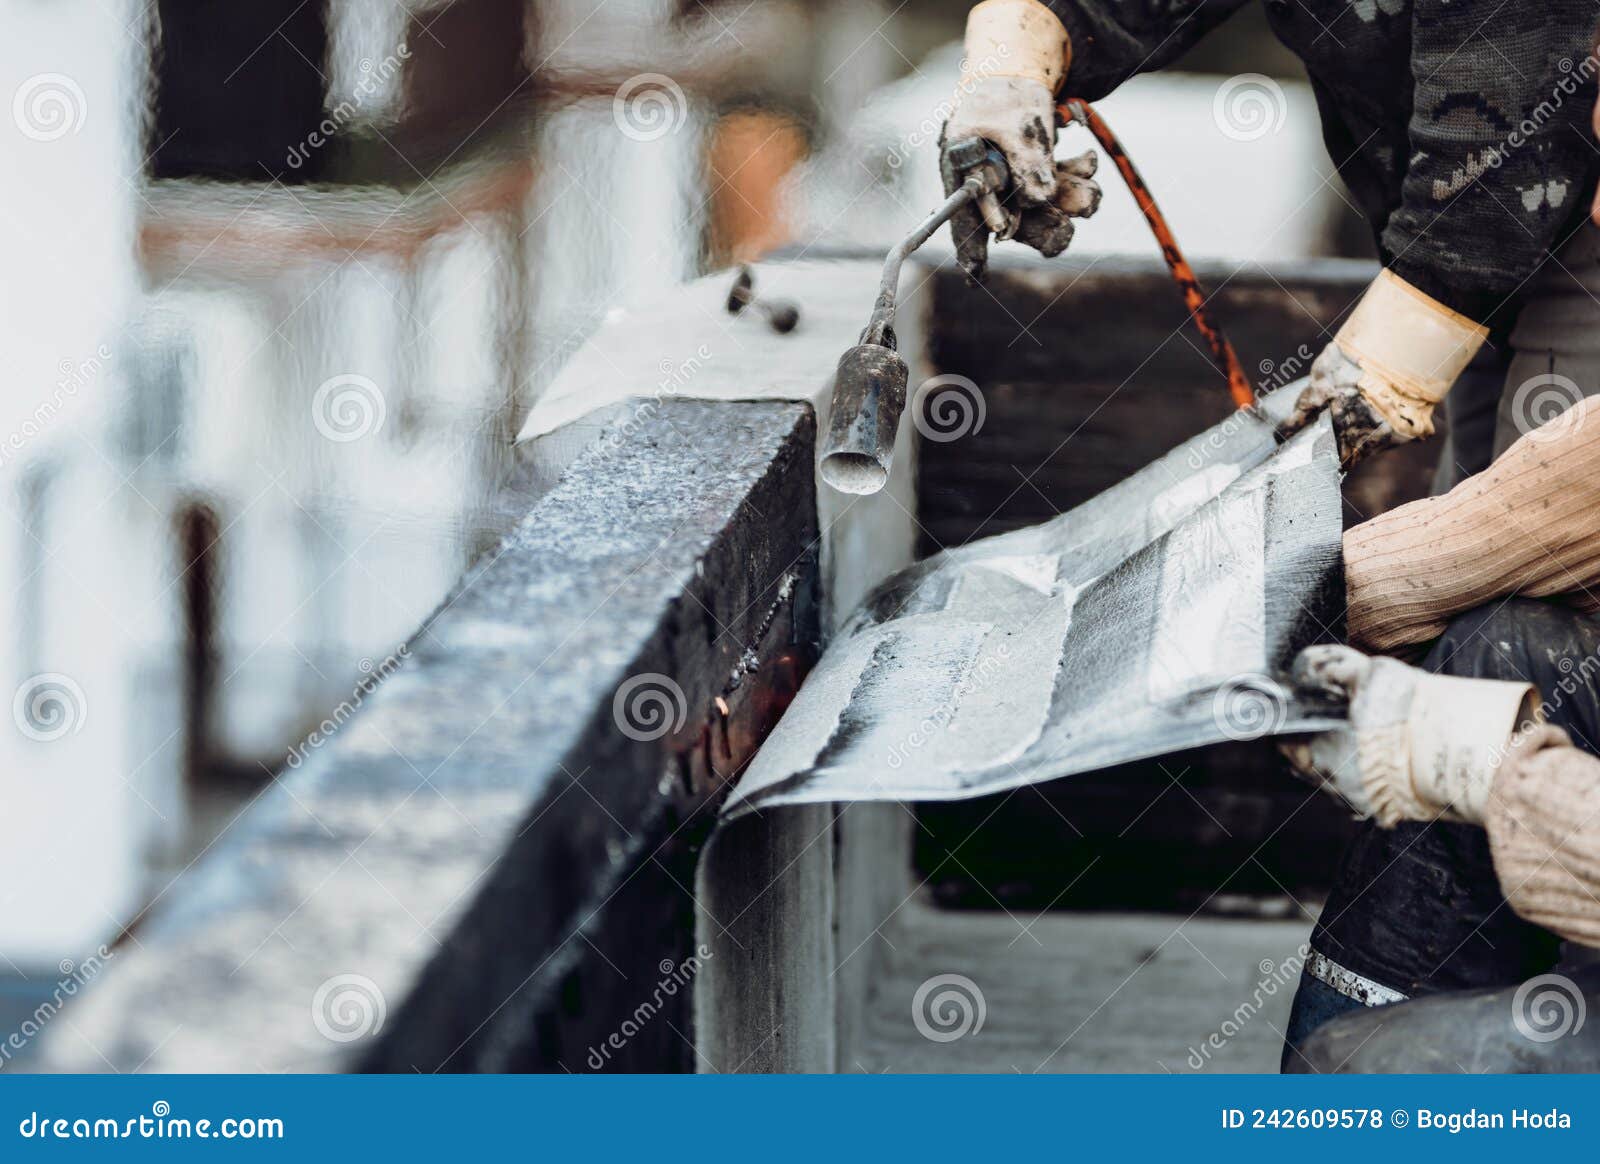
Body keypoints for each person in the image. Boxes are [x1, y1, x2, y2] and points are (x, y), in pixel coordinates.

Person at [937, 0, 1600, 1066]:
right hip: (1477, 239)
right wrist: (1012, 60)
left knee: (1513, 617)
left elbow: (1503, 168)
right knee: (1490, 645)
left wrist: (1329, 580)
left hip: (1553, 217)